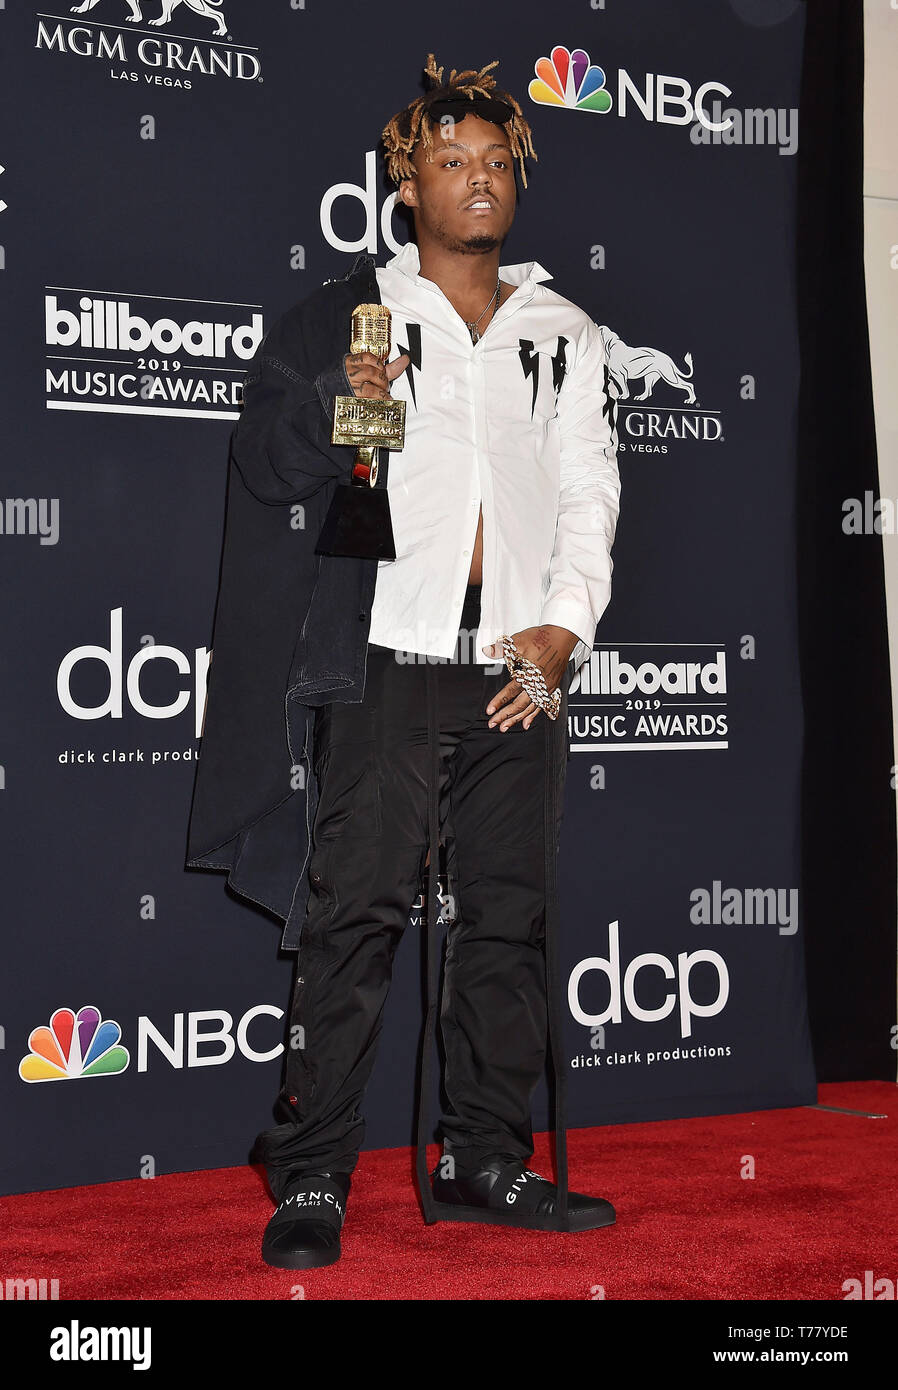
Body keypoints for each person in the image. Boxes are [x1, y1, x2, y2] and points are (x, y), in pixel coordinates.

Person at [186, 55, 621, 1271]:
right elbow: (267, 463)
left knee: (508, 929)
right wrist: (337, 402)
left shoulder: (564, 328)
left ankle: (483, 1157)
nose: (476, 182)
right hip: (382, 652)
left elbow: (589, 486)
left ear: (515, 180)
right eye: (450, 163)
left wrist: (566, 626)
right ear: (405, 179)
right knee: (352, 926)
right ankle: (314, 1169)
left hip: (518, 671)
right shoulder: (348, 314)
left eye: (495, 163)